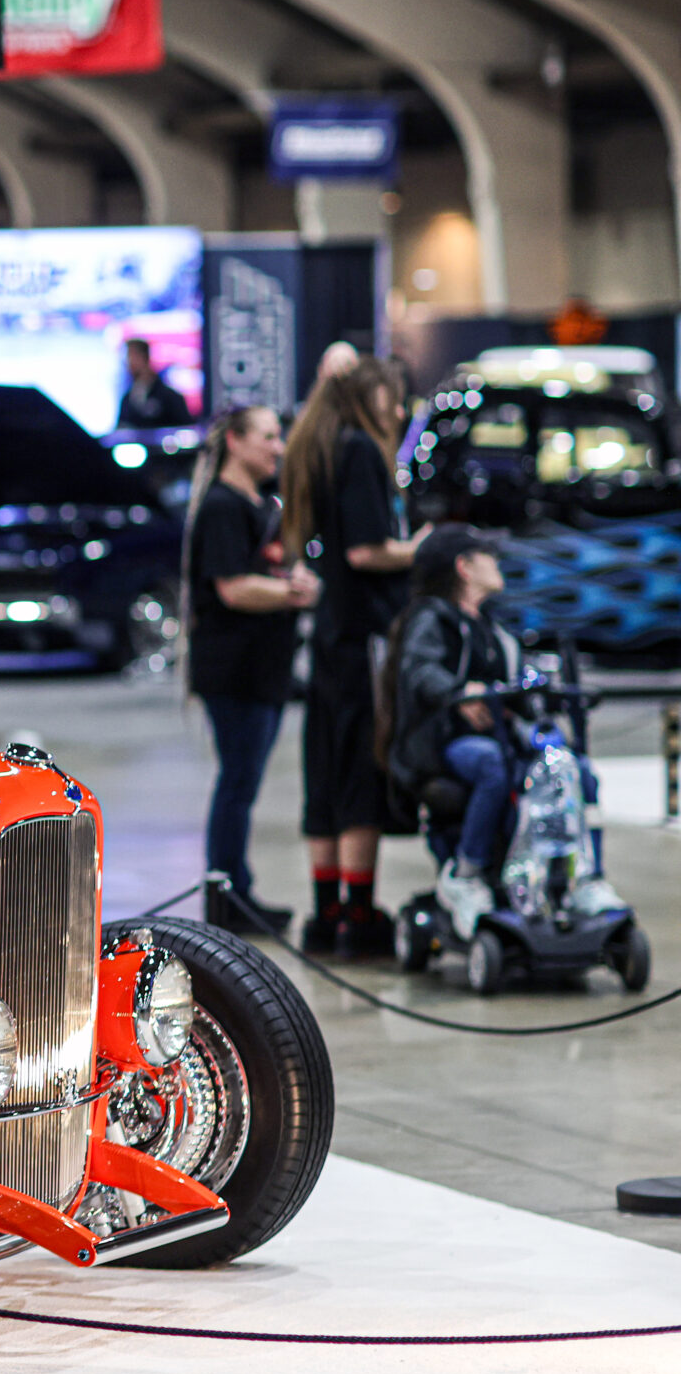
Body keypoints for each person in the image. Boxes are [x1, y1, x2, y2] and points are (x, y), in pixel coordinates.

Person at [385, 526, 625, 929]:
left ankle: (584, 878)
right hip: (447, 740)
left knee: (576, 769)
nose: (497, 563)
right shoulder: (432, 617)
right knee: (492, 764)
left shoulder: (494, 630)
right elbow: (419, 671)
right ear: (464, 567)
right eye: (487, 556)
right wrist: (462, 692)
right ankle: (466, 873)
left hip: (500, 733)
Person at [282, 356, 422, 956]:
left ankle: (327, 910)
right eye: (393, 399)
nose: (400, 411)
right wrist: (418, 549)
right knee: (360, 769)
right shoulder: (361, 451)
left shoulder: (319, 449)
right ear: (371, 399)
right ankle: (358, 916)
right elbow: (367, 552)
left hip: (331, 636)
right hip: (363, 637)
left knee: (327, 767)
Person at [185, 405, 319, 931]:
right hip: (233, 670)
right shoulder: (222, 507)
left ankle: (237, 886)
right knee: (237, 782)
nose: (278, 447)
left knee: (243, 782)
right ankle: (226, 894)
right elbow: (233, 587)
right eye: (267, 436)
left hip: (262, 667)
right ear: (235, 442)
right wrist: (291, 593)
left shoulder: (259, 502)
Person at [116, 339, 193, 430]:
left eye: (131, 356)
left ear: (144, 357)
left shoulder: (170, 397)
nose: (128, 363)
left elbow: (186, 432)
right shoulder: (127, 399)